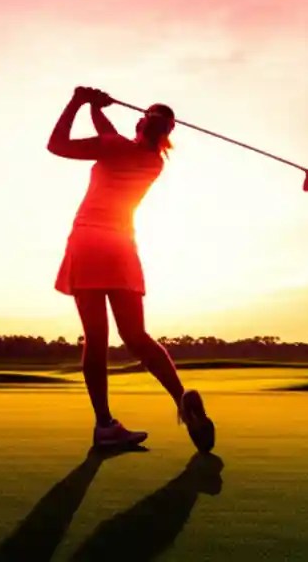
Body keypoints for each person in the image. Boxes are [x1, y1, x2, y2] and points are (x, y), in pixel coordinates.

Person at [47, 86, 215, 452]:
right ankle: (181, 400)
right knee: (136, 335)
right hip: (121, 247)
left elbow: (56, 145)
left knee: (96, 339)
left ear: (141, 122)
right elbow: (110, 135)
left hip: (88, 243)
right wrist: (95, 107)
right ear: (166, 135)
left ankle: (105, 424)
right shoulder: (154, 163)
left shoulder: (113, 147)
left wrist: (78, 101)